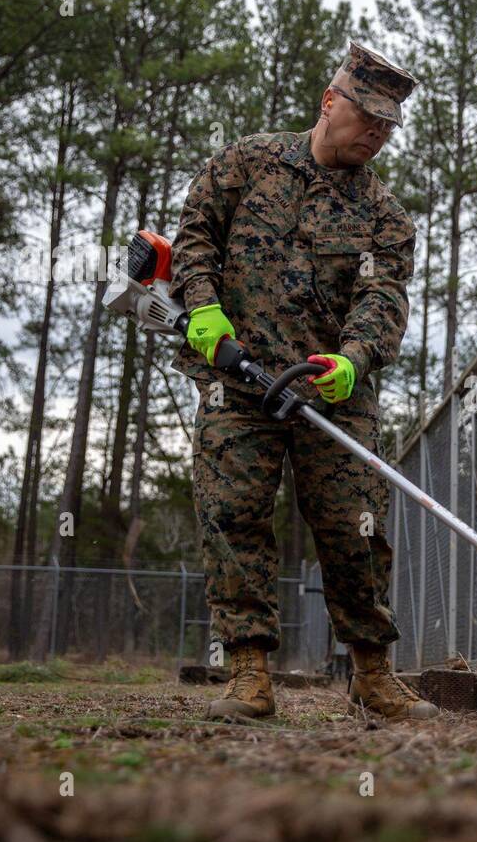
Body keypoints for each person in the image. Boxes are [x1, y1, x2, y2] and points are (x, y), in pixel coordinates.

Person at [169, 41, 437, 722]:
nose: (375, 132)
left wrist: (352, 359)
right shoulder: (247, 163)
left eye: (386, 124)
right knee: (233, 516)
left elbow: (382, 302)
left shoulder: (386, 218)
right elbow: (196, 233)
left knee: (355, 527)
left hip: (331, 392)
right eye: (366, 115)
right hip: (239, 379)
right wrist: (201, 307)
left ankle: (373, 675)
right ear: (329, 101)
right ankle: (249, 673)